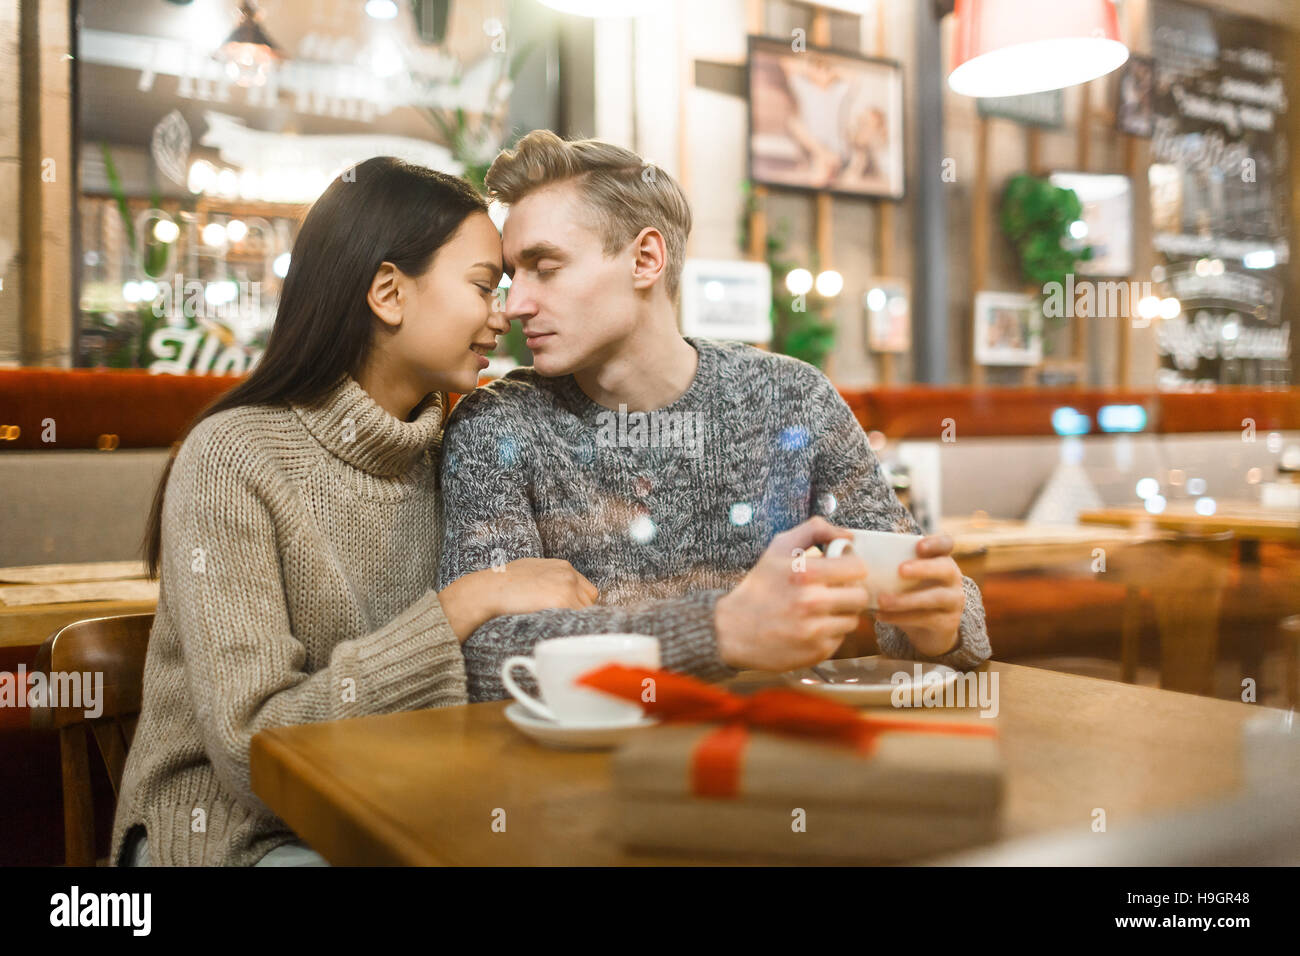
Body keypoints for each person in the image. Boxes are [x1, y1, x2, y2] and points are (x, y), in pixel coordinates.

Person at [111, 157, 597, 866]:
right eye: (484, 286)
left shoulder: (458, 450)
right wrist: (460, 607)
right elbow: (256, 752)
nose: (506, 313)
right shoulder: (234, 457)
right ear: (389, 293)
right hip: (238, 837)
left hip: (401, 819)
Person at [436, 131, 991, 703]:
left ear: (645, 259)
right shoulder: (497, 423)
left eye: (544, 268)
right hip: (585, 768)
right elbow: (483, 658)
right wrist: (716, 630)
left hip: (779, 757)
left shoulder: (791, 397)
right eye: (509, 278)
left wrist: (937, 621)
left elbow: (916, 587)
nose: (515, 305)